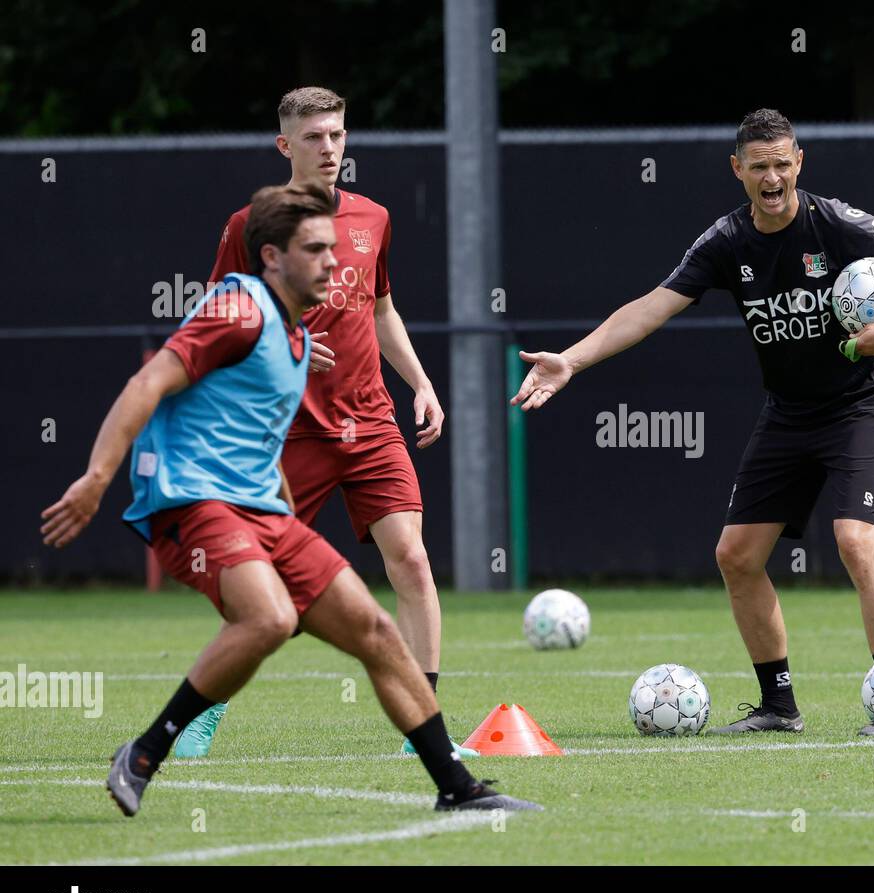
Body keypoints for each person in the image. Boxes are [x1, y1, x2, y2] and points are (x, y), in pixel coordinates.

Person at [40, 184, 537, 815]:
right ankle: (144, 753)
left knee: (376, 630)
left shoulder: (296, 336)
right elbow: (148, 382)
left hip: (257, 509)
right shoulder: (240, 310)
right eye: (314, 250)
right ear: (271, 257)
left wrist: (280, 513)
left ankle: (456, 787)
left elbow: (255, 435)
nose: (333, 263)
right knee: (271, 618)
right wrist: (95, 479)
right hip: (192, 502)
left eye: (332, 248)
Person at [510, 108, 874, 736]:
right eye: (759, 167)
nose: (772, 177)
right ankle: (778, 706)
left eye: (782, 163)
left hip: (862, 400)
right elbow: (648, 309)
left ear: (799, 162)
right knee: (737, 555)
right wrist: (572, 362)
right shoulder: (726, 242)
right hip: (788, 411)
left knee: (856, 539)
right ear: (738, 171)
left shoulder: (834, 222)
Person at [175, 86, 472, 758]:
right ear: (286, 146)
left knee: (415, 564)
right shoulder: (250, 225)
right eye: (313, 138)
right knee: (259, 582)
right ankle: (203, 709)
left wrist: (422, 383)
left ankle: (426, 734)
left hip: (370, 423)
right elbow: (219, 321)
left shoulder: (374, 219)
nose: (329, 148)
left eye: (337, 135)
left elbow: (380, 310)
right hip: (287, 431)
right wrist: (287, 347)